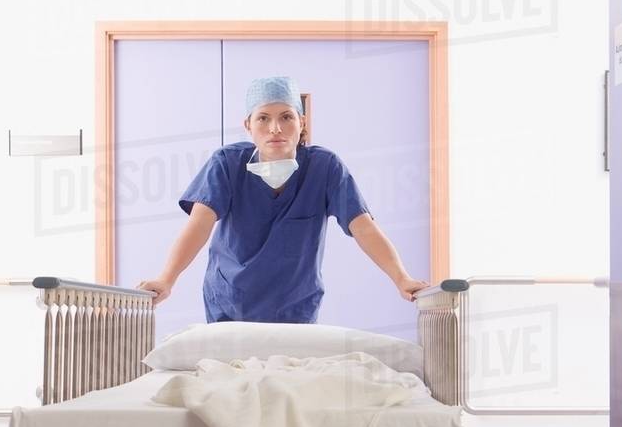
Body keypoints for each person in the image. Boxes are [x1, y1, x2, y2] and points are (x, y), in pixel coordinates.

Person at [139, 75, 429, 322]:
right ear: (248, 125)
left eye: (286, 117)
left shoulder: (325, 167)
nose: (275, 128)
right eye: (263, 118)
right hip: (230, 304)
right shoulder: (226, 164)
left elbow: (363, 227)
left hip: (295, 308)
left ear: (301, 122)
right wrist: (167, 278)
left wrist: (401, 278)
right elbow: (199, 224)